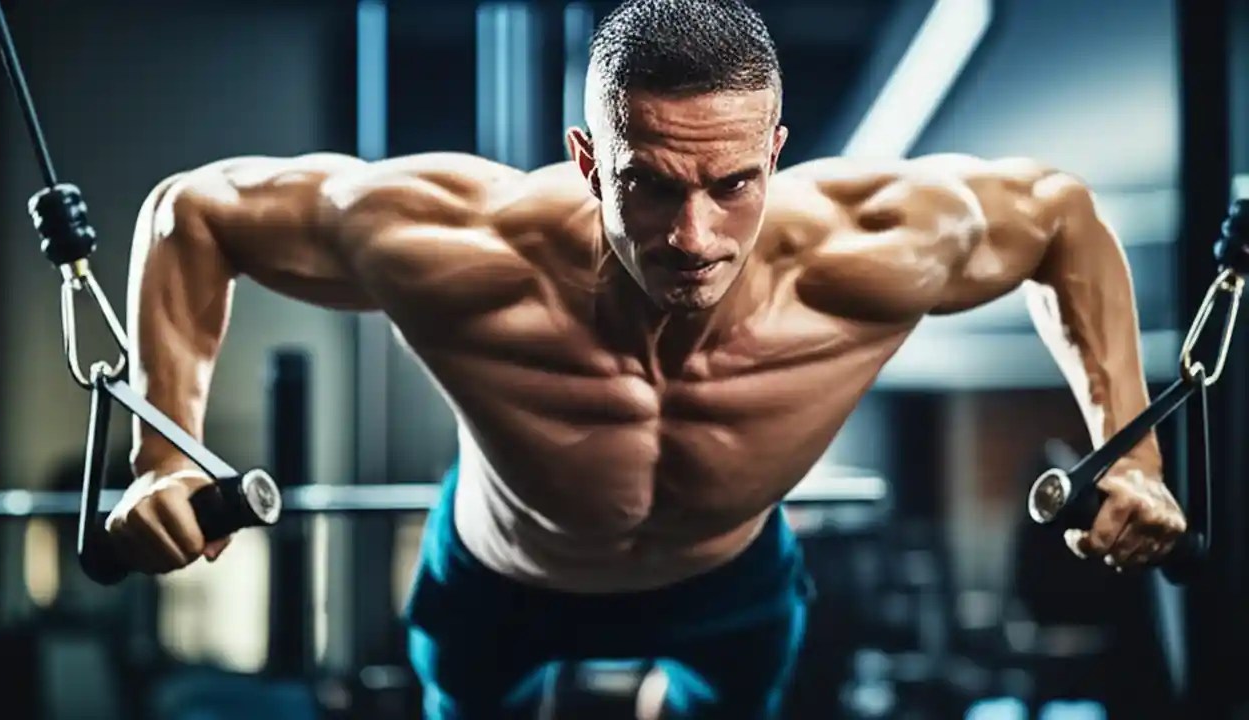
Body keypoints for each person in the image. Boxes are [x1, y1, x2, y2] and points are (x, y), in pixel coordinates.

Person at [105, 0, 1188, 717]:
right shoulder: (466, 250)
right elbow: (194, 213)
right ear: (588, 160)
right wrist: (164, 455)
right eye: (650, 185)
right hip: (500, 575)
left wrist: (1129, 457)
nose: (692, 235)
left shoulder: (867, 255)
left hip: (729, 580)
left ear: (775, 154)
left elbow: (1060, 218)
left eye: (731, 184)